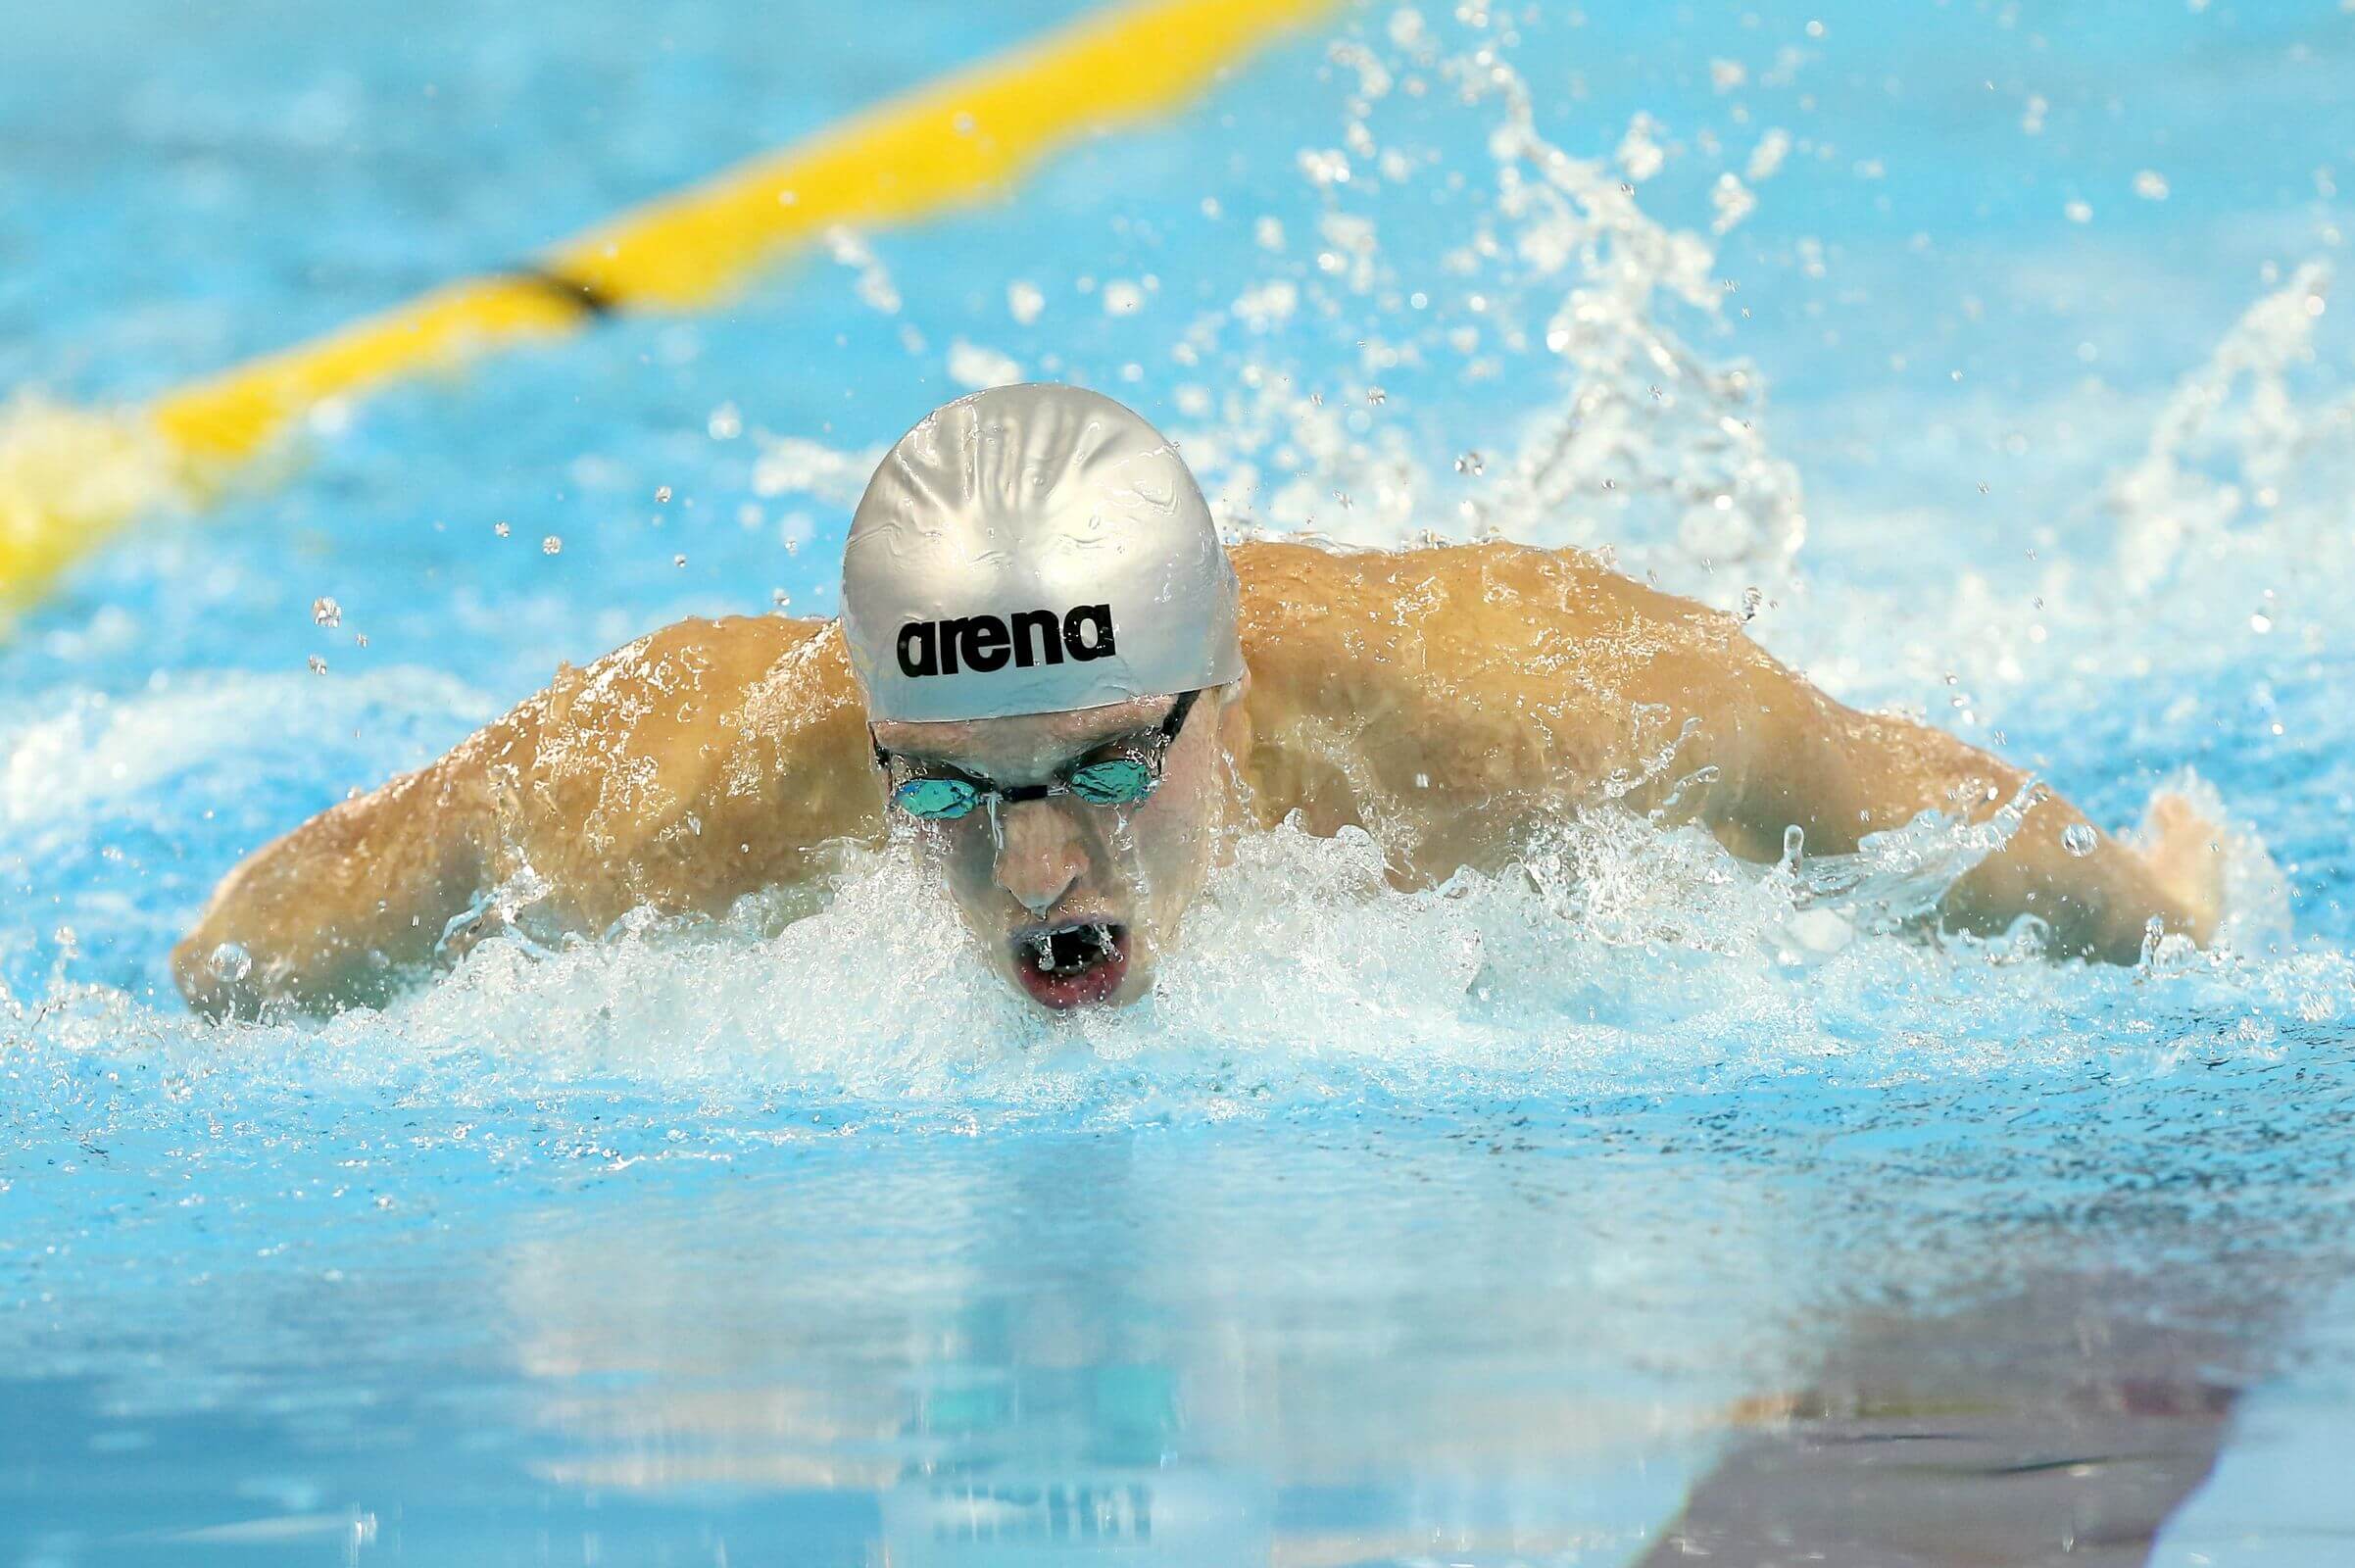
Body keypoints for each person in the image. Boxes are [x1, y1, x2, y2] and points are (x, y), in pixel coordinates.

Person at [172, 384, 2224, 1018]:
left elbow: (1884, 801)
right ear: (874, 739)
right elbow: (267, 933)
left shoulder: (1516, 709)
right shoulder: (683, 780)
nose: (1038, 869)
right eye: (953, 791)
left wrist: (2165, 920)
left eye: (1090, 767)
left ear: (1217, 693)